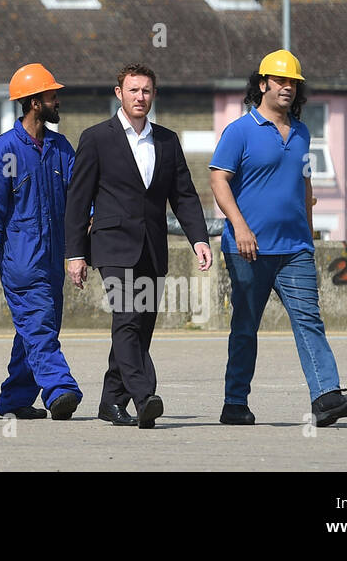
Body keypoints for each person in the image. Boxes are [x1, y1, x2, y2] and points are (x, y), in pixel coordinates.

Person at [208, 49, 347, 428]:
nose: (287, 88)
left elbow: (305, 180)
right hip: (249, 249)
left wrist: (308, 231)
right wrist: (240, 227)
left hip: (295, 248)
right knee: (245, 326)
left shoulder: (301, 133)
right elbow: (218, 179)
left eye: (293, 82)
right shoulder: (240, 131)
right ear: (262, 84)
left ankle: (325, 396)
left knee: (309, 320)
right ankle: (234, 403)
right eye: (279, 81)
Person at [64, 63, 212, 428]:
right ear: (119, 94)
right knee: (127, 317)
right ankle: (145, 395)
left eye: (146, 90)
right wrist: (75, 253)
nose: (140, 97)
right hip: (112, 245)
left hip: (152, 247)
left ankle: (111, 401)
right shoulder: (96, 138)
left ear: (153, 95)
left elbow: (185, 196)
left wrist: (199, 239)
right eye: (133, 90)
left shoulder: (166, 140)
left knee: (141, 325)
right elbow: (78, 200)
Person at [0, 64, 83, 421]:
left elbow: (79, 194)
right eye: (52, 95)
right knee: (38, 325)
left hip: (53, 257)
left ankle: (15, 400)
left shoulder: (59, 147)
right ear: (35, 102)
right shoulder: (7, 150)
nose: (57, 101)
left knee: (37, 328)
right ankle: (60, 389)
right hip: (20, 258)